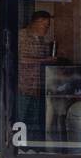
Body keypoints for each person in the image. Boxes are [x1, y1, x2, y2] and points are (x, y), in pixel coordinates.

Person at [17, 10, 56, 147]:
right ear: (36, 22)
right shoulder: (21, 36)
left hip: (37, 87)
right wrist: (45, 60)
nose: (46, 28)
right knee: (19, 118)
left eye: (48, 25)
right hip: (22, 86)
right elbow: (20, 59)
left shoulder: (42, 40)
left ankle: (31, 149)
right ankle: (17, 149)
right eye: (44, 25)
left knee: (33, 121)